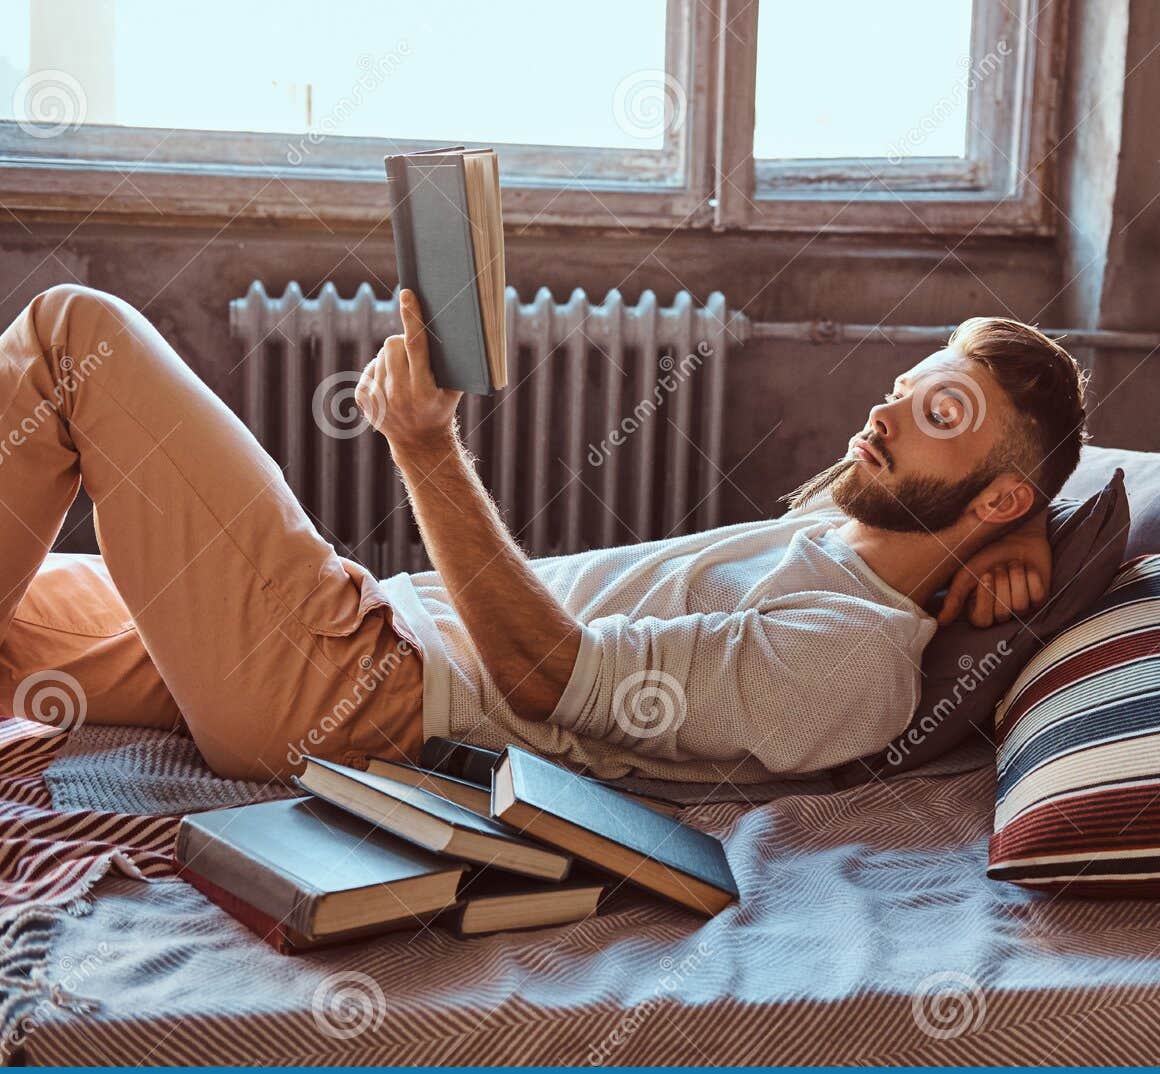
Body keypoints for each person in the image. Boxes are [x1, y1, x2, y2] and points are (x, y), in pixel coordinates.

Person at [0, 284, 1084, 785]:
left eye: (940, 415)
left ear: (996, 492)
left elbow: (550, 676)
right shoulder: (851, 537)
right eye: (904, 388)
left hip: (349, 682)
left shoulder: (851, 655)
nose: (885, 414)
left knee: (73, 335)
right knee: (17, 630)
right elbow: (1057, 493)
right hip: (368, 623)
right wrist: (1009, 545)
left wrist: (426, 449)